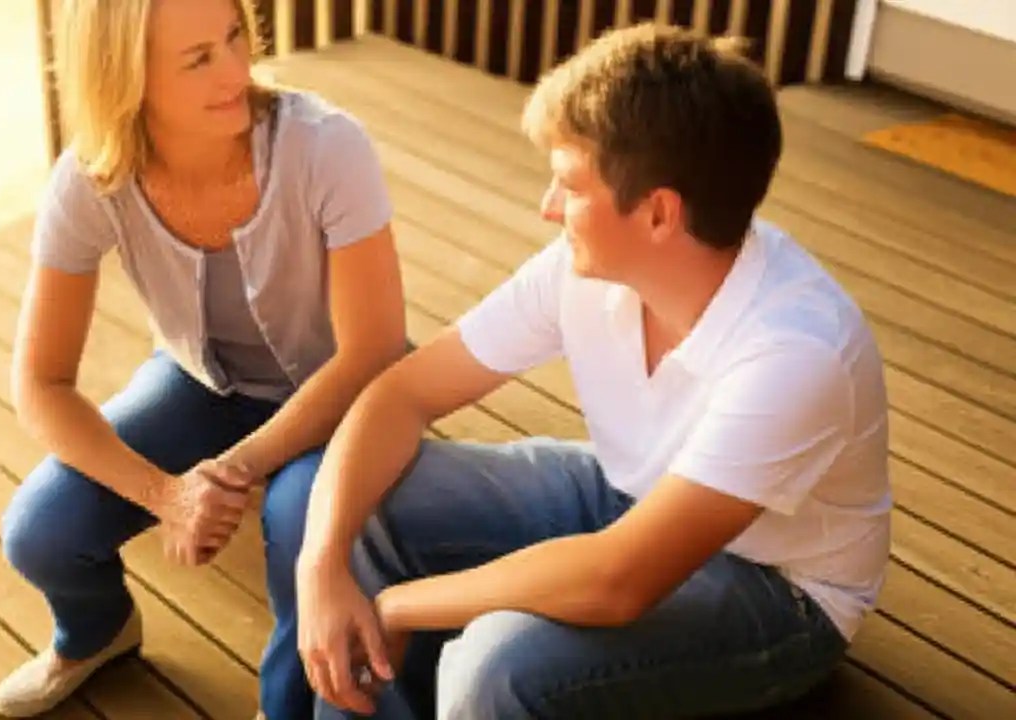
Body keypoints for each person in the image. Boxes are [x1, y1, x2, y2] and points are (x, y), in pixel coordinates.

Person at [264, 23, 892, 719]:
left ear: (659, 213)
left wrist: (400, 605)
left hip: (777, 590)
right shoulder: (583, 269)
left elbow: (620, 579)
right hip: (628, 494)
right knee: (326, 502)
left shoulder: (795, 353)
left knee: (495, 666)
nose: (548, 207)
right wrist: (323, 566)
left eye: (569, 184)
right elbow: (402, 394)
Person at [0, 0, 407, 717]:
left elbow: (372, 350)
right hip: (202, 385)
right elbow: (40, 384)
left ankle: (289, 707)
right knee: (41, 532)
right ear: (125, 76)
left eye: (234, 37)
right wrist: (166, 494)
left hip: (346, 392)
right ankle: (97, 632)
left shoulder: (328, 147)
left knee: (300, 531)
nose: (238, 71)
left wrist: (234, 470)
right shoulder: (89, 182)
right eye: (198, 59)